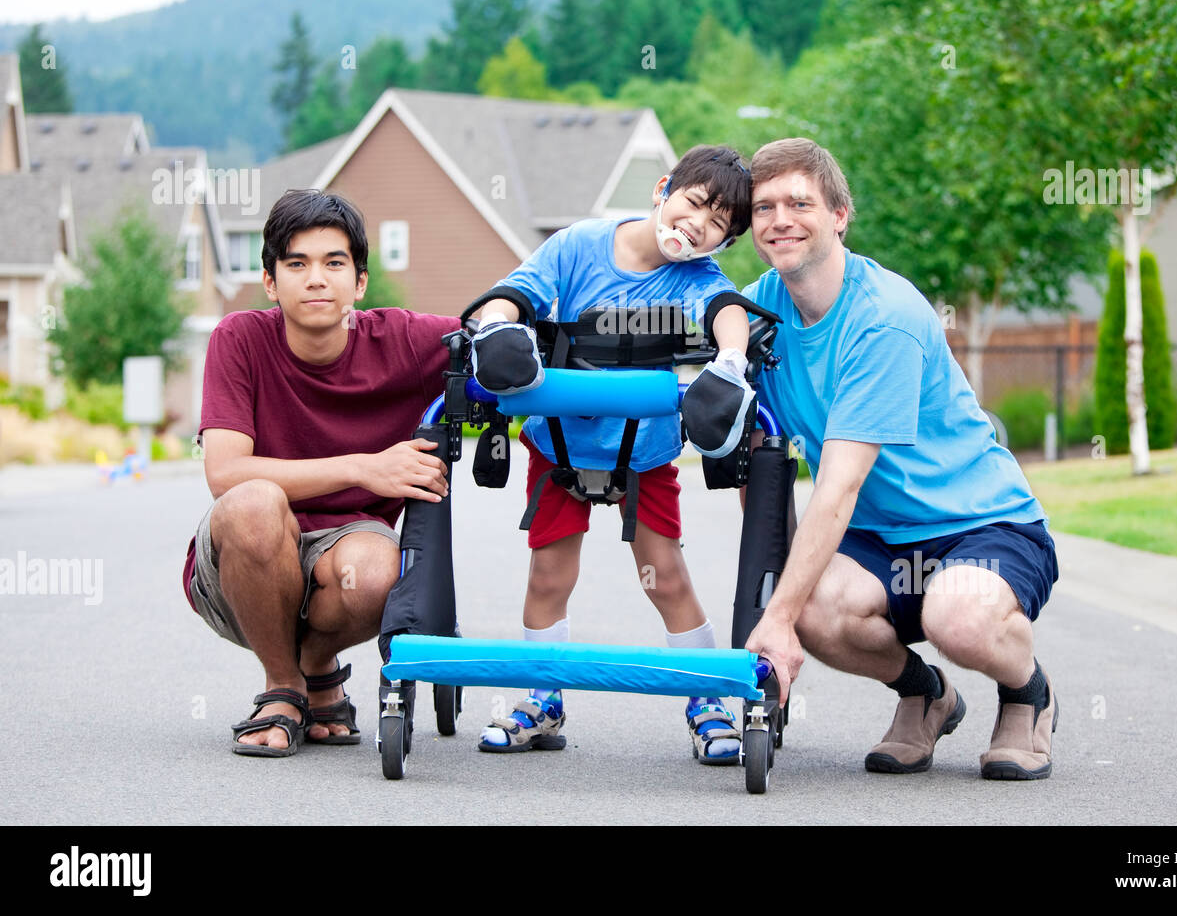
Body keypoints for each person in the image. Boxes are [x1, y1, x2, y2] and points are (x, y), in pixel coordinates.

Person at [740, 138, 1061, 780]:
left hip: (980, 524)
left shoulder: (882, 318)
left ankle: (1028, 693)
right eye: (764, 206)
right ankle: (926, 694)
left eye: (800, 202)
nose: (780, 219)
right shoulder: (755, 309)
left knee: (958, 618)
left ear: (839, 214)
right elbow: (759, 458)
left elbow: (837, 485)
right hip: (879, 536)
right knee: (813, 606)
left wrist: (773, 622)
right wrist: (777, 609)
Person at [467, 145, 757, 763]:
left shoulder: (698, 279)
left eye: (718, 226)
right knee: (550, 573)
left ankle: (705, 695)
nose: (698, 225)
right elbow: (513, 293)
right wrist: (496, 328)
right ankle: (541, 696)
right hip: (561, 444)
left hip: (645, 450)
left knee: (665, 575)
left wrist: (730, 362)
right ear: (663, 188)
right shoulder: (579, 246)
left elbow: (728, 313)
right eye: (695, 203)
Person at [184, 189, 461, 757]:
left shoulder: (404, 340)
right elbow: (225, 473)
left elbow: (497, 332)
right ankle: (282, 687)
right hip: (241, 566)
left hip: (349, 550)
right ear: (270, 281)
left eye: (334, 263)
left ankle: (315, 667)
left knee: (381, 570)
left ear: (359, 282)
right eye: (297, 264)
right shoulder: (238, 339)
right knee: (253, 501)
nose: (316, 279)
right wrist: (365, 466)